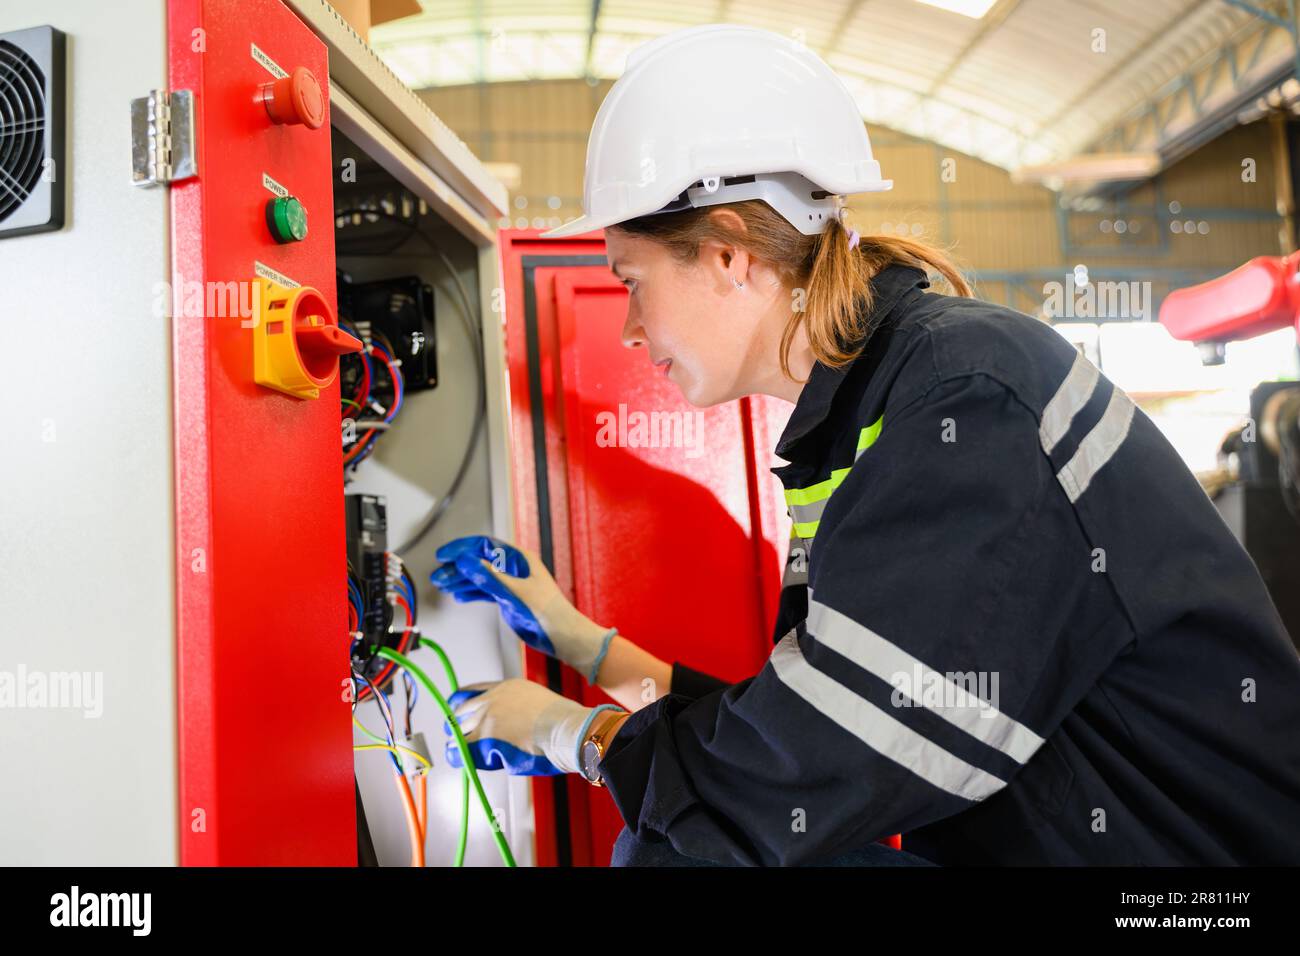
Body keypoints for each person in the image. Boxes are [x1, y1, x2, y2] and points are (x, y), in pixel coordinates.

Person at [430, 23, 1300, 867]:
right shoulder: (877, 407)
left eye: (632, 282)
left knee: (679, 856)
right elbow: (814, 715)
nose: (626, 326)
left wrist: (578, 736)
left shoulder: (966, 397)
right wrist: (579, 640)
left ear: (729, 255)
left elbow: (801, 769)